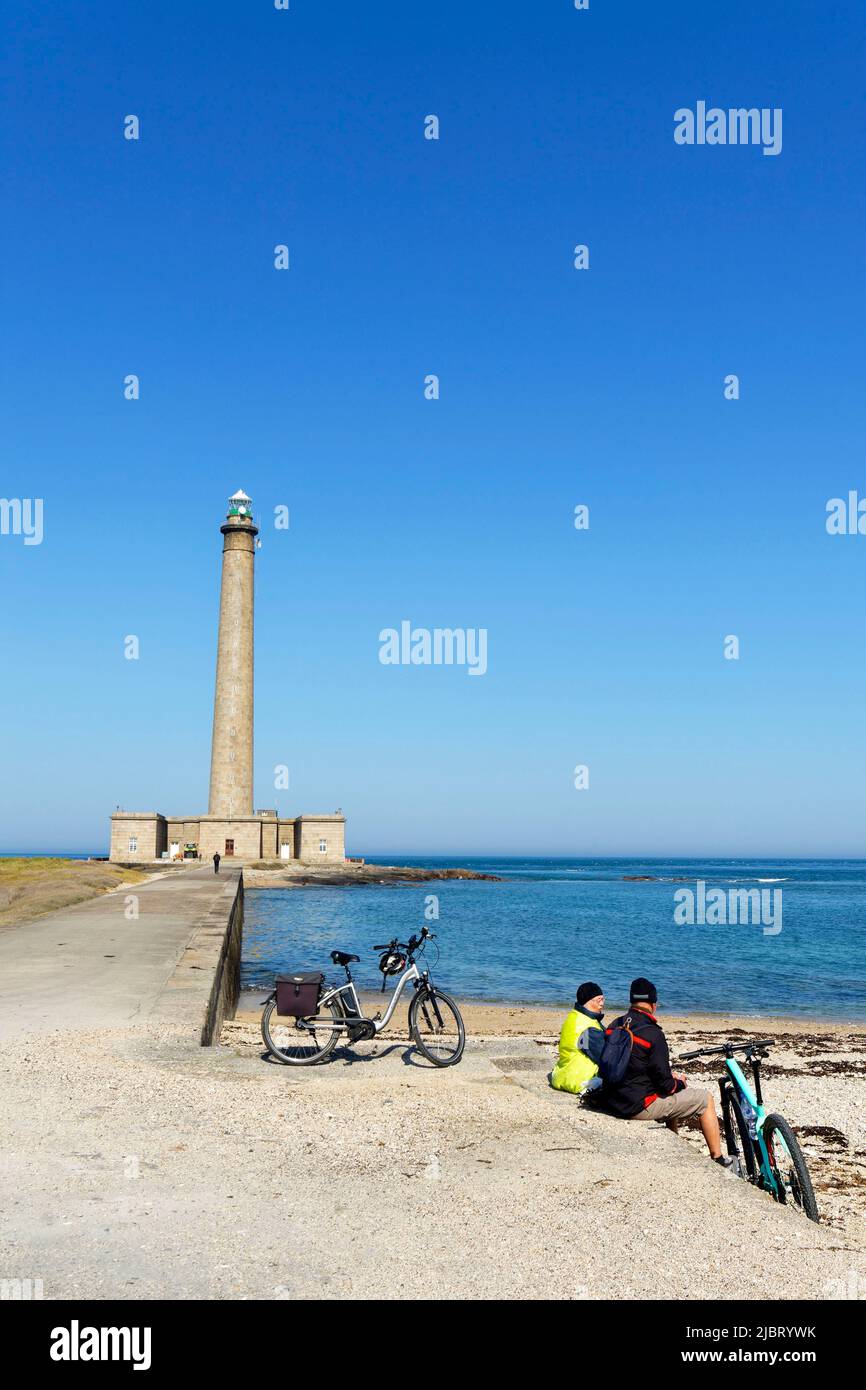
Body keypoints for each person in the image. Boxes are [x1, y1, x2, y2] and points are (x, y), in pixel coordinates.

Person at [602, 977, 732, 1167]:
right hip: (635, 1107)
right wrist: (680, 1082)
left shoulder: (615, 1024)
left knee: (668, 1093)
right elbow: (666, 1085)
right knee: (705, 1099)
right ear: (653, 1005)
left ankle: (674, 1142)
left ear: (631, 1001)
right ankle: (719, 1159)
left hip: (612, 1098)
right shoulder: (653, 1034)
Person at [550, 981, 607, 1095]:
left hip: (560, 1076)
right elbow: (604, 1057)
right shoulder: (589, 1027)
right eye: (599, 1000)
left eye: (603, 999)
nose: (602, 1004)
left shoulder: (573, 1017)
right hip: (581, 1081)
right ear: (587, 1001)